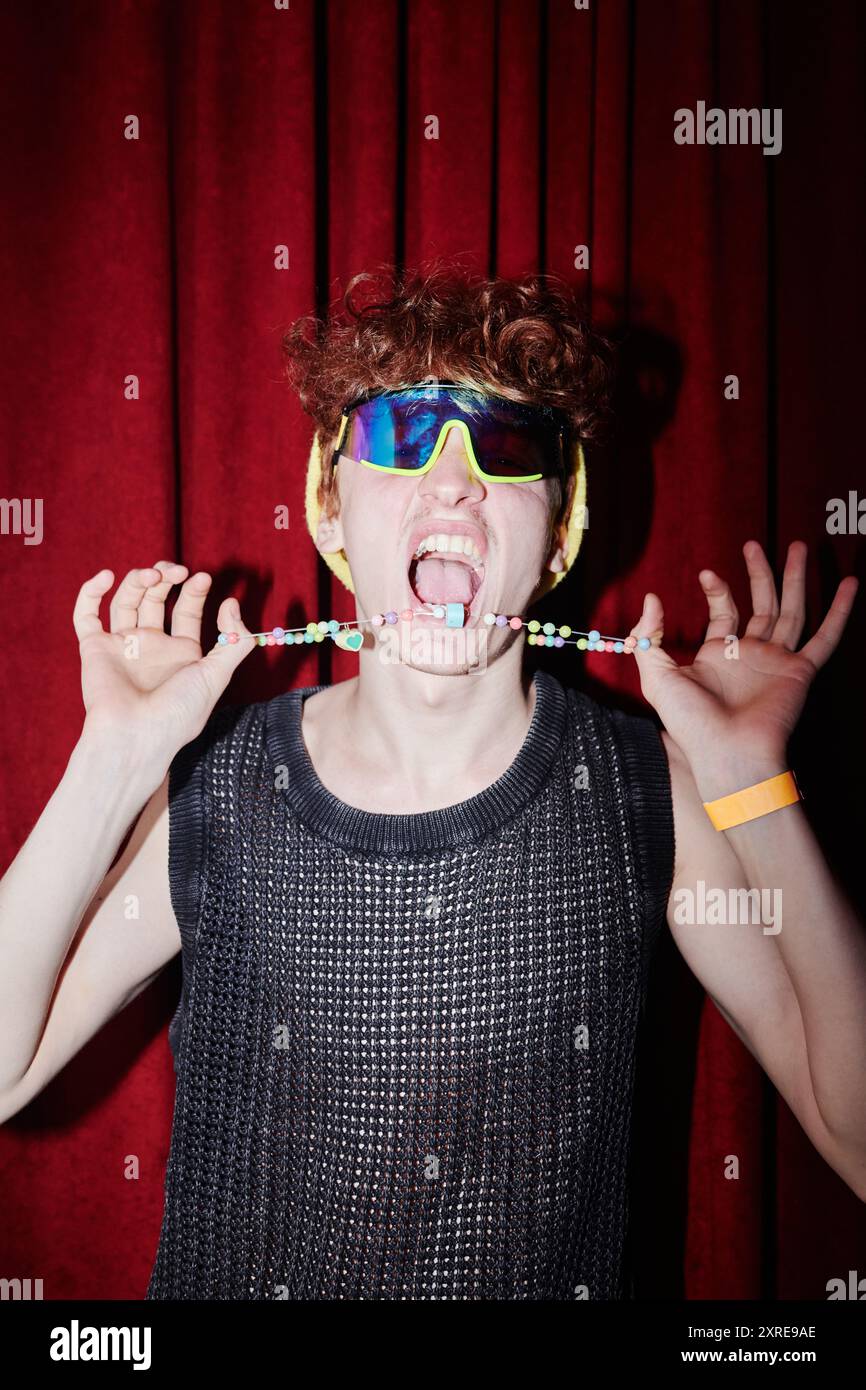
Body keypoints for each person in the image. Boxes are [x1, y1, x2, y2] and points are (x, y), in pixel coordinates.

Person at [0, 265, 863, 1302]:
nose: (451, 485)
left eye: (504, 449)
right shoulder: (220, 793)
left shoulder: (652, 793)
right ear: (330, 502)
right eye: (403, 438)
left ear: (558, 527)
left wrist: (749, 785)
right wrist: (113, 761)